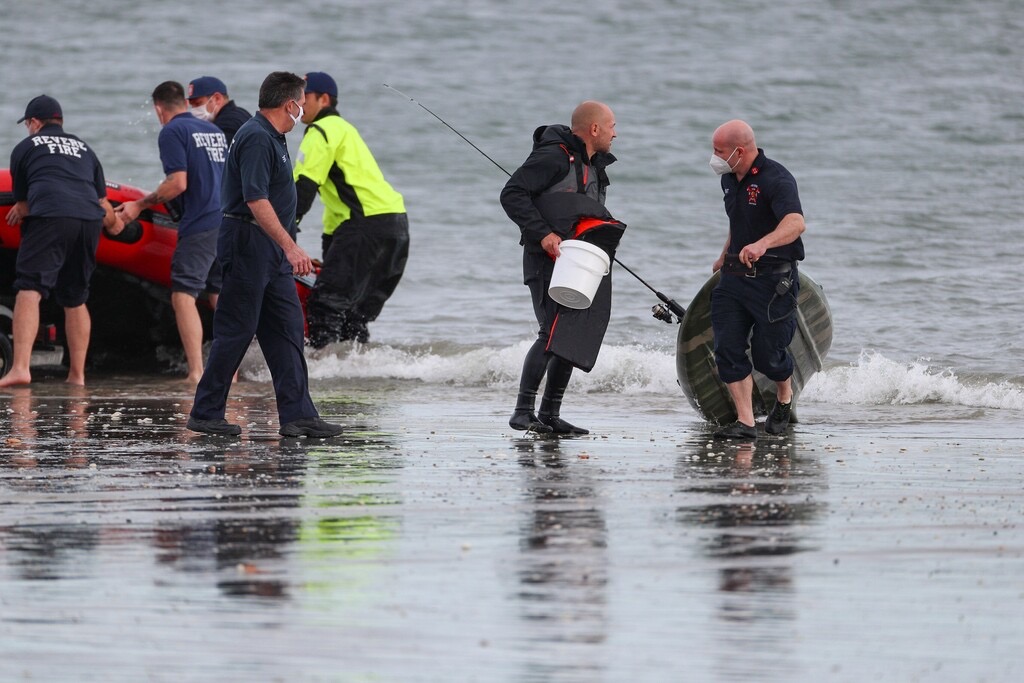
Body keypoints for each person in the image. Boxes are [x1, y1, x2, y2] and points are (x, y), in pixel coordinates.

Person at [186, 71, 343, 438]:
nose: (303, 110)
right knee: (236, 329)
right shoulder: (256, 137)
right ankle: (206, 412)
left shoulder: (275, 137)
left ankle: (298, 415)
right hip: (248, 242)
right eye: (301, 104)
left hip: (271, 249)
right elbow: (256, 200)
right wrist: (291, 246)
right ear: (289, 104)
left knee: (286, 330)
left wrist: (285, 244)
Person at [500, 101, 618, 435]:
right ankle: (522, 411)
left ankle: (549, 414)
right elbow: (512, 194)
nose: (615, 133)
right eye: (611, 126)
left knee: (569, 333)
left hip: (578, 261)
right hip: (544, 259)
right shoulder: (553, 156)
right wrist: (544, 235)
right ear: (594, 128)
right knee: (550, 332)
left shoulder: (595, 167)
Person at [0, 95, 124, 388]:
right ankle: (77, 376)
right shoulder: (85, 149)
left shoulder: (25, 147)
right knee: (76, 296)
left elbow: (24, 202)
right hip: (89, 220)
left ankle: (20, 368)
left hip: (52, 217)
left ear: (33, 123)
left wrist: (21, 207)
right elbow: (101, 200)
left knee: (29, 289)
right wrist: (117, 224)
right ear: (61, 122)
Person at [116, 81, 228, 383]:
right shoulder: (215, 132)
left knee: (183, 294)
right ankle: (231, 372)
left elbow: (178, 183)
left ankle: (196, 372)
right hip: (227, 221)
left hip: (201, 222)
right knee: (219, 294)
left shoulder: (172, 131)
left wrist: (139, 204)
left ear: (158, 109)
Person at [292, 71, 410, 347]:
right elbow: (340, 203)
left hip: (365, 227)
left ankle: (325, 377)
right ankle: (357, 376)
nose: (298, 104)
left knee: (325, 306)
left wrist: (284, 235)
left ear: (323, 99)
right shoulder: (346, 130)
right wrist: (331, 251)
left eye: (303, 97)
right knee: (355, 315)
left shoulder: (320, 131)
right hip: (396, 227)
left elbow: (304, 188)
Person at [708, 119, 806, 440]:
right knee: (727, 347)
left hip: (773, 280)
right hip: (735, 276)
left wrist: (763, 243)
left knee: (768, 355)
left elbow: (796, 223)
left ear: (740, 151)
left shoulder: (776, 178)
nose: (714, 157)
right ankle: (746, 423)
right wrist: (725, 253)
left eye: (719, 151)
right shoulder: (728, 179)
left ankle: (784, 396)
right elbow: (739, 220)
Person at [186, 76, 252, 144]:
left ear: (217, 98)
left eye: (198, 103)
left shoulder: (226, 124)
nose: (194, 110)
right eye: (192, 105)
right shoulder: (241, 113)